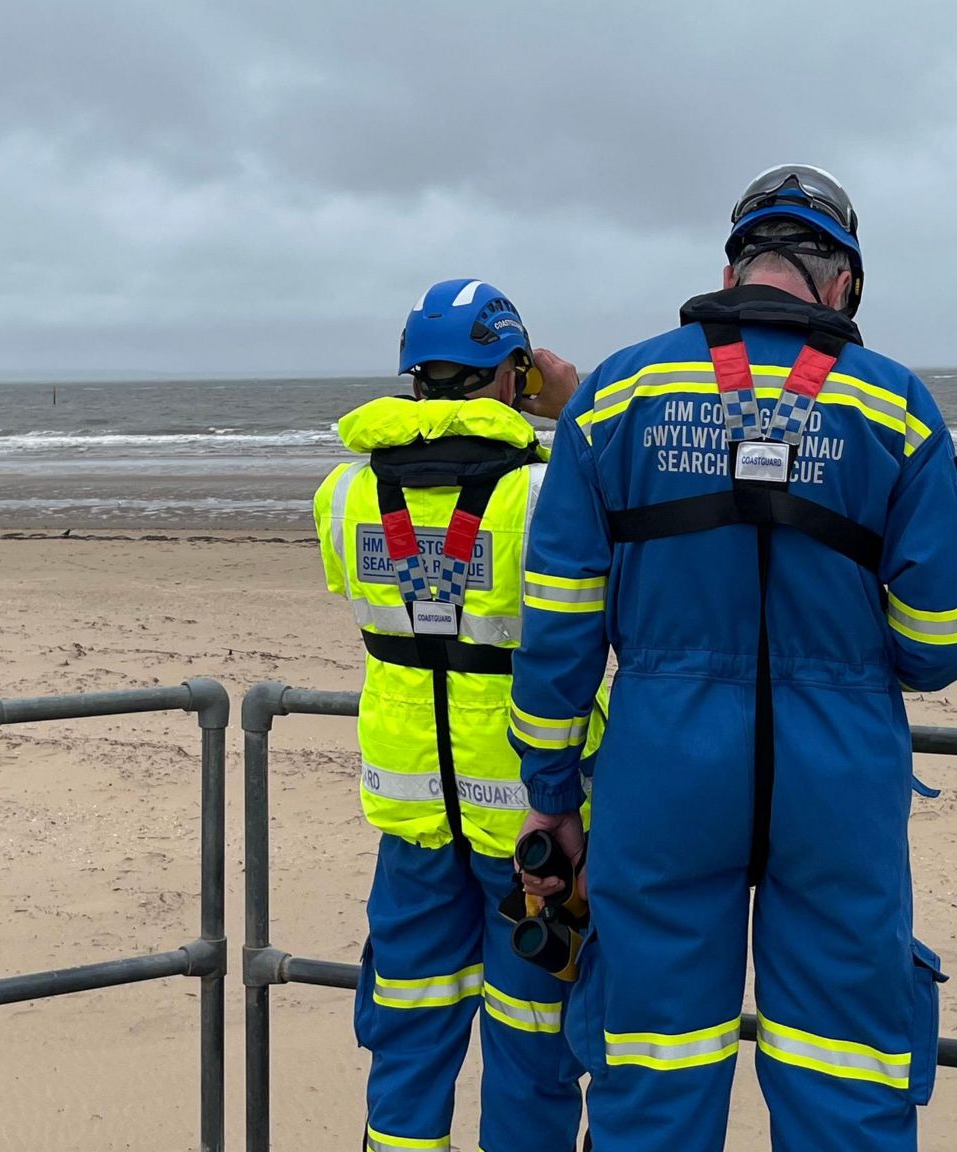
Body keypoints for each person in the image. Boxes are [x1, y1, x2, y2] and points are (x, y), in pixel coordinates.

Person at [507, 166, 957, 1151]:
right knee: (843, 1067)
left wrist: (551, 794)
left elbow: (558, 621)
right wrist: (857, 659)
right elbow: (948, 637)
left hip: (660, 771)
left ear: (735, 265)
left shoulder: (614, 396)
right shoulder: (894, 405)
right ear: (844, 283)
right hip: (838, 773)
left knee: (651, 1062)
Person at [315, 278, 606, 1152]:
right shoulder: (548, 492)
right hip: (536, 818)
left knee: (407, 1032)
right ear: (515, 374)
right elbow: (623, 484)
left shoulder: (343, 494)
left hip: (409, 817)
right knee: (533, 1041)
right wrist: (578, 402)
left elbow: (383, 588)